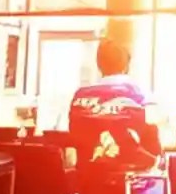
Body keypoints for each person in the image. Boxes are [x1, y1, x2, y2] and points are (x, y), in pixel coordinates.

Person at [68, 39, 161, 171]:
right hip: (131, 181)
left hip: (88, 179)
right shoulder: (139, 95)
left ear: (99, 65)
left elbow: (74, 139)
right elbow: (154, 141)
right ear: (126, 66)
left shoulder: (80, 96)